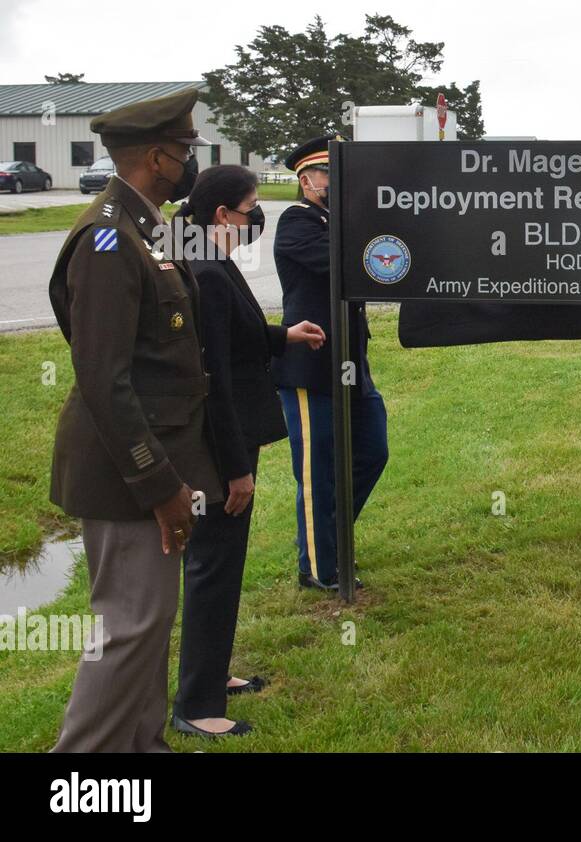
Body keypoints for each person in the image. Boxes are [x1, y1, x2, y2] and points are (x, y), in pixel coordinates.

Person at [46, 89, 222, 752]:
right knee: (127, 625)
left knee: (151, 621)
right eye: (184, 152)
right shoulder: (107, 238)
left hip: (153, 461)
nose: (188, 164)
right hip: (126, 473)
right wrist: (159, 484)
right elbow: (104, 379)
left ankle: (141, 749)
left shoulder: (145, 226)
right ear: (157, 156)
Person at [170, 166, 326, 737]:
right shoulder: (205, 270)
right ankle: (197, 708)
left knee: (218, 563)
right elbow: (213, 374)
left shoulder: (208, 257)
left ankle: (211, 675)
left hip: (223, 440)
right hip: (219, 446)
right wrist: (235, 468)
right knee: (214, 564)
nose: (257, 219)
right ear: (221, 216)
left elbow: (233, 334)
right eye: (251, 208)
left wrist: (282, 333)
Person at [273, 136, 388, 591]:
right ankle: (320, 568)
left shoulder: (340, 221)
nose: (339, 180)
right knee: (317, 470)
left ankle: (332, 537)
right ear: (307, 180)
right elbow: (349, 265)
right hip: (311, 363)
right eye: (329, 172)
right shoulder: (298, 222)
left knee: (372, 450)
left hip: (350, 361)